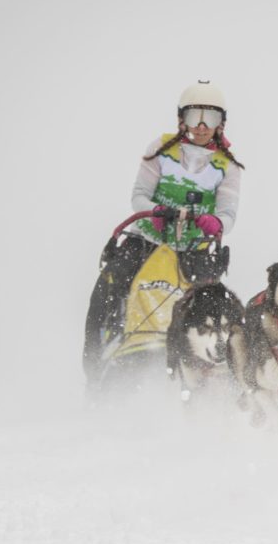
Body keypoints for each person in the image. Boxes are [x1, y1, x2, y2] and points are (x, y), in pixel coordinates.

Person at [83, 80, 245, 388]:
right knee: (108, 288)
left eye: (209, 118)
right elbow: (140, 195)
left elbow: (227, 215)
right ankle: (95, 365)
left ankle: (219, 375)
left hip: (194, 253)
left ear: (220, 123)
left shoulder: (228, 166)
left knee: (216, 309)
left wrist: (214, 223)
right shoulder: (161, 148)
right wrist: (156, 212)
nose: (200, 126)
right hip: (146, 242)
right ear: (180, 119)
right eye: (193, 116)